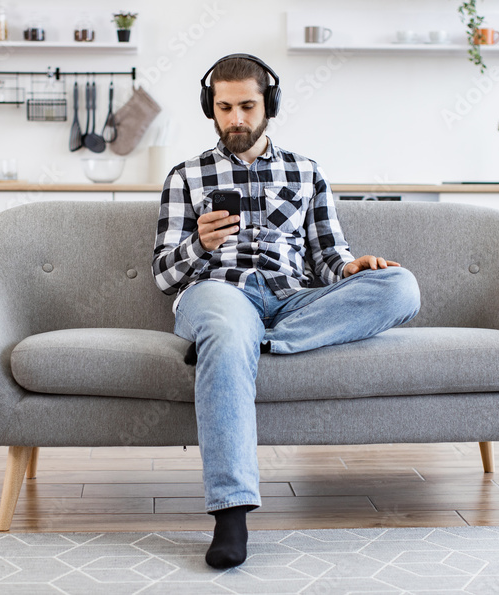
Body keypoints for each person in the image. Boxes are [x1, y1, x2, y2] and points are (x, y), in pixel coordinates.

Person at [151, 54, 421, 569]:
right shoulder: (185, 176)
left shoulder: (307, 171)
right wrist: (200, 245)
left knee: (401, 287)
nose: (235, 119)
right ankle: (231, 513)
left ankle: (255, 342)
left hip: (292, 298)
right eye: (224, 107)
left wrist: (351, 269)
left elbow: (330, 257)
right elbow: (164, 277)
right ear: (210, 107)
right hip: (218, 292)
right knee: (226, 324)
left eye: (247, 106)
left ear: (268, 105)